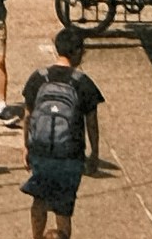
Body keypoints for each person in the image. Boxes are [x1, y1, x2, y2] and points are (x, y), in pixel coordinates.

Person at [17, 16, 103, 226]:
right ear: (78, 52)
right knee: (63, 210)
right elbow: (91, 123)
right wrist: (95, 154)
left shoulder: (38, 78)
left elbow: (28, 117)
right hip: (70, 156)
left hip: (41, 151)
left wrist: (26, 147)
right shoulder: (83, 83)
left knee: (39, 201)